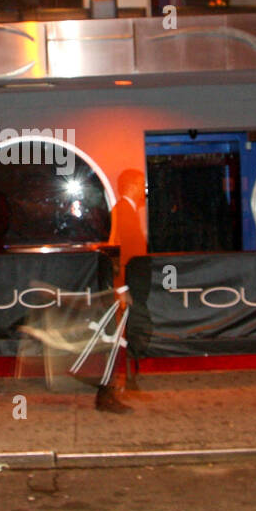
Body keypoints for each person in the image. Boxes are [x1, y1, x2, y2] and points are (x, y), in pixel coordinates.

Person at [95, 168, 148, 415]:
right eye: (142, 184)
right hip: (121, 288)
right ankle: (109, 395)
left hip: (122, 287)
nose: (144, 190)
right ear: (134, 185)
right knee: (115, 342)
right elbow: (119, 255)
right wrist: (123, 288)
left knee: (118, 341)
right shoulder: (123, 212)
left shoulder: (123, 212)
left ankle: (116, 389)